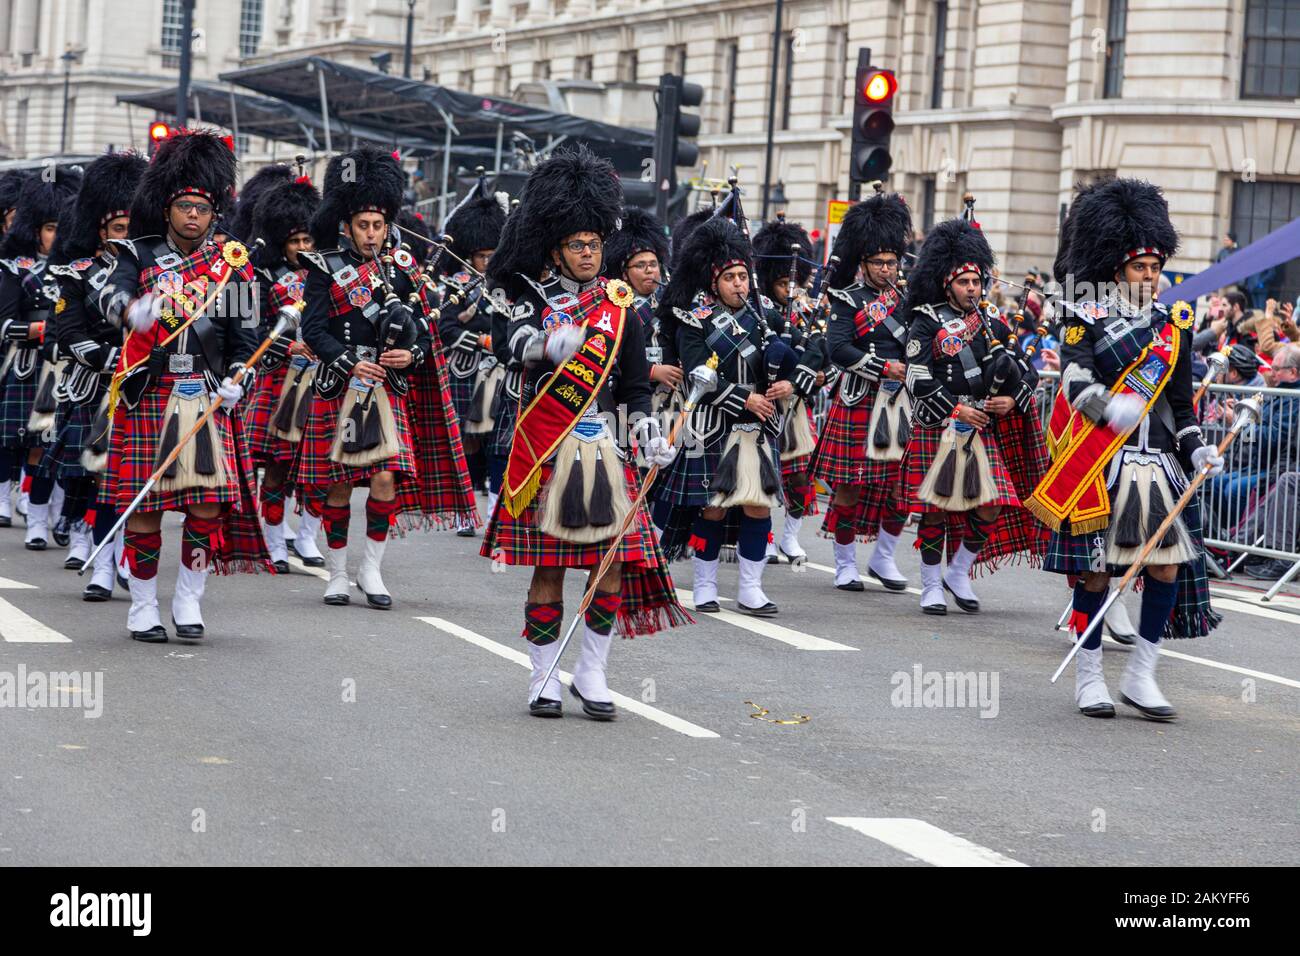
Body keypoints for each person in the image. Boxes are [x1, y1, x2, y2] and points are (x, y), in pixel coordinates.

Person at [481, 146, 689, 719]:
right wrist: (551, 344)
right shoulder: (529, 296)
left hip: (605, 444)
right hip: (547, 444)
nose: (589, 254)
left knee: (612, 562)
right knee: (549, 566)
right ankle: (543, 675)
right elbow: (509, 345)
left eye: (595, 244)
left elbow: (633, 383)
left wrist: (648, 428)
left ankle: (592, 671)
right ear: (556, 249)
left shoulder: (621, 307)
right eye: (578, 245)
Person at [1029, 178, 1223, 720]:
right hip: (1101, 461)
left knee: (1164, 569)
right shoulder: (1083, 318)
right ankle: (1088, 676)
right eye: (1141, 267)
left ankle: (1142, 673)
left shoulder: (1175, 328)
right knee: (1096, 572)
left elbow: (1182, 409)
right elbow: (1073, 379)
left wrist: (1198, 449)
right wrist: (1108, 407)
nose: (1151, 277)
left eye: (1156, 268)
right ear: (1117, 269)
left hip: (1158, 465)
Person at [99, 129, 271, 642]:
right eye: (184, 207)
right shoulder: (139, 254)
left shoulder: (233, 265)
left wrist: (243, 376)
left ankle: (190, 597)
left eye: (201, 207)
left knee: (205, 508)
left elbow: (247, 336)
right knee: (146, 510)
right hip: (152, 391)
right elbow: (110, 299)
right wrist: (136, 311)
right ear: (167, 207)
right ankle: (143, 606)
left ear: (213, 211)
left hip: (208, 394)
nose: (192, 216)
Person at [292, 144, 435, 610]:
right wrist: (349, 361)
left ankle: (371, 568)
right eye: (363, 225)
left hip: (387, 388)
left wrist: (408, 355)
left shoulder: (405, 269)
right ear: (346, 225)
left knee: (385, 479)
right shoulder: (324, 267)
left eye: (379, 225)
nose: (372, 234)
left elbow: (427, 333)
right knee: (337, 482)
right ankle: (336, 574)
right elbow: (312, 328)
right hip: (342, 383)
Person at [899, 213, 1049, 617]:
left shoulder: (995, 324)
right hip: (942, 423)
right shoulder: (925, 321)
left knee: (994, 503)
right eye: (964, 281)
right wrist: (957, 407)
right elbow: (915, 376)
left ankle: (959, 570)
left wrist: (1012, 400)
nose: (972, 288)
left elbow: (1028, 373)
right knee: (936, 509)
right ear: (946, 281)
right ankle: (930, 585)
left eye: (977, 281)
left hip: (983, 427)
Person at [655, 216, 798, 616]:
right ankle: (705, 584)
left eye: (742, 276)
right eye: (730, 277)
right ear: (713, 282)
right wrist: (745, 399)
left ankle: (751, 589)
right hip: (716, 425)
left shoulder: (767, 314)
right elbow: (700, 374)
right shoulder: (693, 319)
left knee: (757, 506)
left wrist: (791, 385)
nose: (739, 284)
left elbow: (801, 357)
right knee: (713, 507)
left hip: (758, 428)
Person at [44, 151, 147, 590]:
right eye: (118, 229)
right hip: (94, 385)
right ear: (100, 229)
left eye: (131, 229)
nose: (125, 236)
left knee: (128, 478)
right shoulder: (78, 273)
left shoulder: (151, 271)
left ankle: (116, 558)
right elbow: (68, 332)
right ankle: (97, 554)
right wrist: (113, 361)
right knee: (94, 475)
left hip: (141, 386)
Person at [810, 192, 915, 591]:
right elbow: (838, 349)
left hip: (900, 403)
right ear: (864, 263)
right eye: (879, 262)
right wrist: (883, 366)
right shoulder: (845, 299)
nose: (887, 269)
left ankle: (884, 558)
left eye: (892, 261)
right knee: (851, 485)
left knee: (900, 484)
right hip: (860, 397)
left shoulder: (909, 301)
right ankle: (844, 564)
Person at [242, 173, 321, 573]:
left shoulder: (329, 276)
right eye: (295, 241)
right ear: (281, 243)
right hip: (281, 378)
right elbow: (251, 333)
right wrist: (288, 346)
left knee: (321, 468)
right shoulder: (262, 278)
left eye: (308, 240)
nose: (303, 248)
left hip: (324, 381)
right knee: (277, 465)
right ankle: (273, 538)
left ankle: (308, 534)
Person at [750, 215, 830, 565]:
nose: (790, 290)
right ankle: (764, 537)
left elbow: (820, 349)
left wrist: (811, 375)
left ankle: (790, 536)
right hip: (763, 403)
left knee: (800, 477)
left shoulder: (806, 310)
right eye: (783, 283)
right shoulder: (757, 311)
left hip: (796, 407)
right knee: (764, 476)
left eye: (793, 283)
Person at [434, 187, 509, 533]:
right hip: (467, 369)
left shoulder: (511, 287)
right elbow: (445, 328)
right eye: (481, 256)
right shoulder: (456, 287)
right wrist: (480, 338)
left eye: (493, 254)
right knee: (469, 440)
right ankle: (467, 508)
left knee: (499, 441)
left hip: (502, 371)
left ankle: (494, 509)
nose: (487, 262)